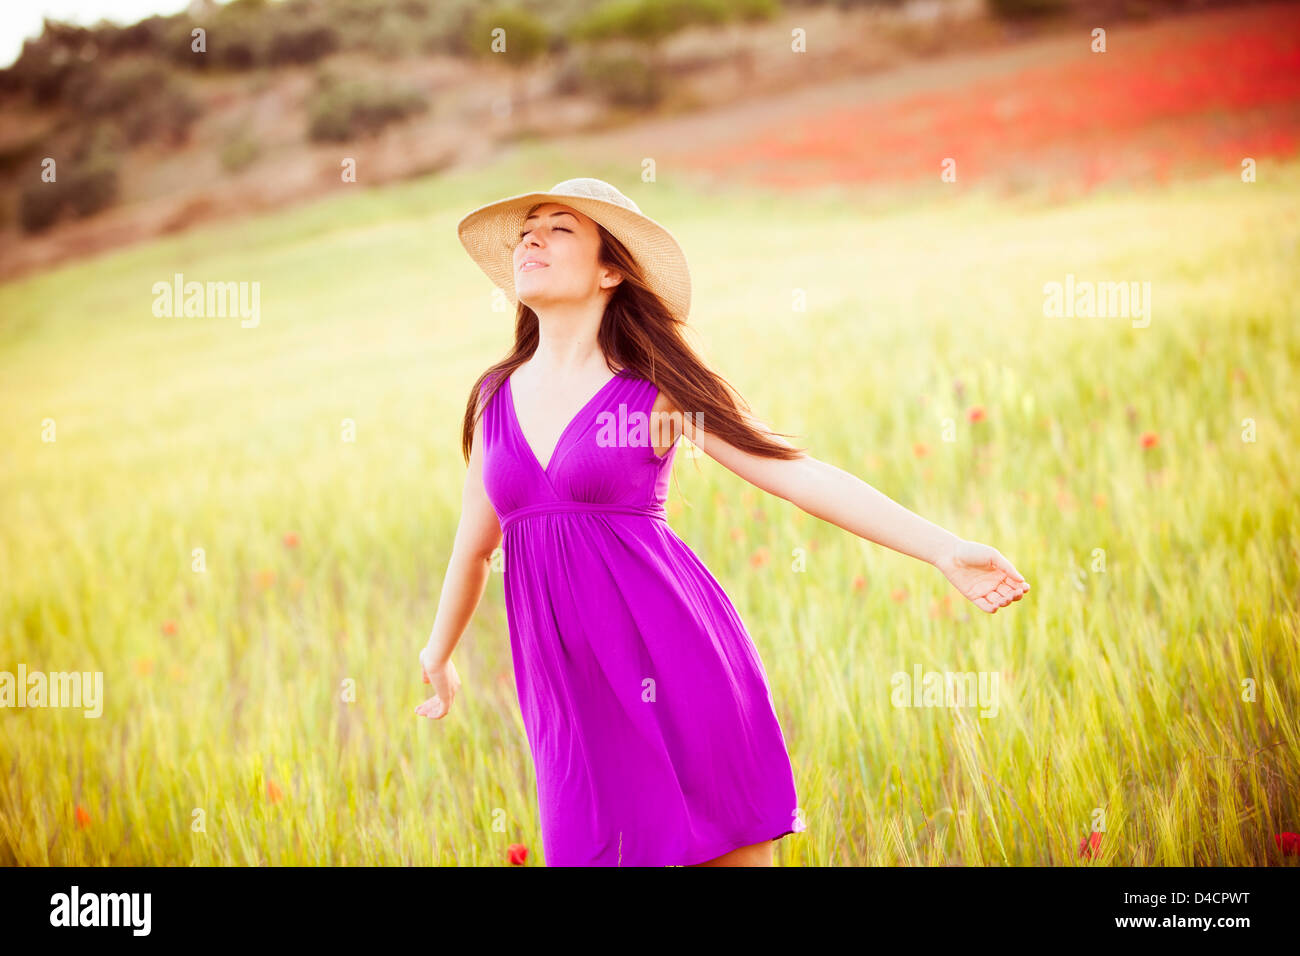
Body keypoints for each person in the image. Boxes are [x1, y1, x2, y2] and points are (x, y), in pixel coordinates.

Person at [415, 178, 1029, 867]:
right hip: (569, 703)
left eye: (559, 228)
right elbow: (474, 547)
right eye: (528, 228)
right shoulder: (494, 397)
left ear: (610, 269)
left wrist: (943, 549)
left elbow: (796, 474)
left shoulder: (655, 385)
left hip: (675, 661)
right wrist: (437, 652)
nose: (531, 237)